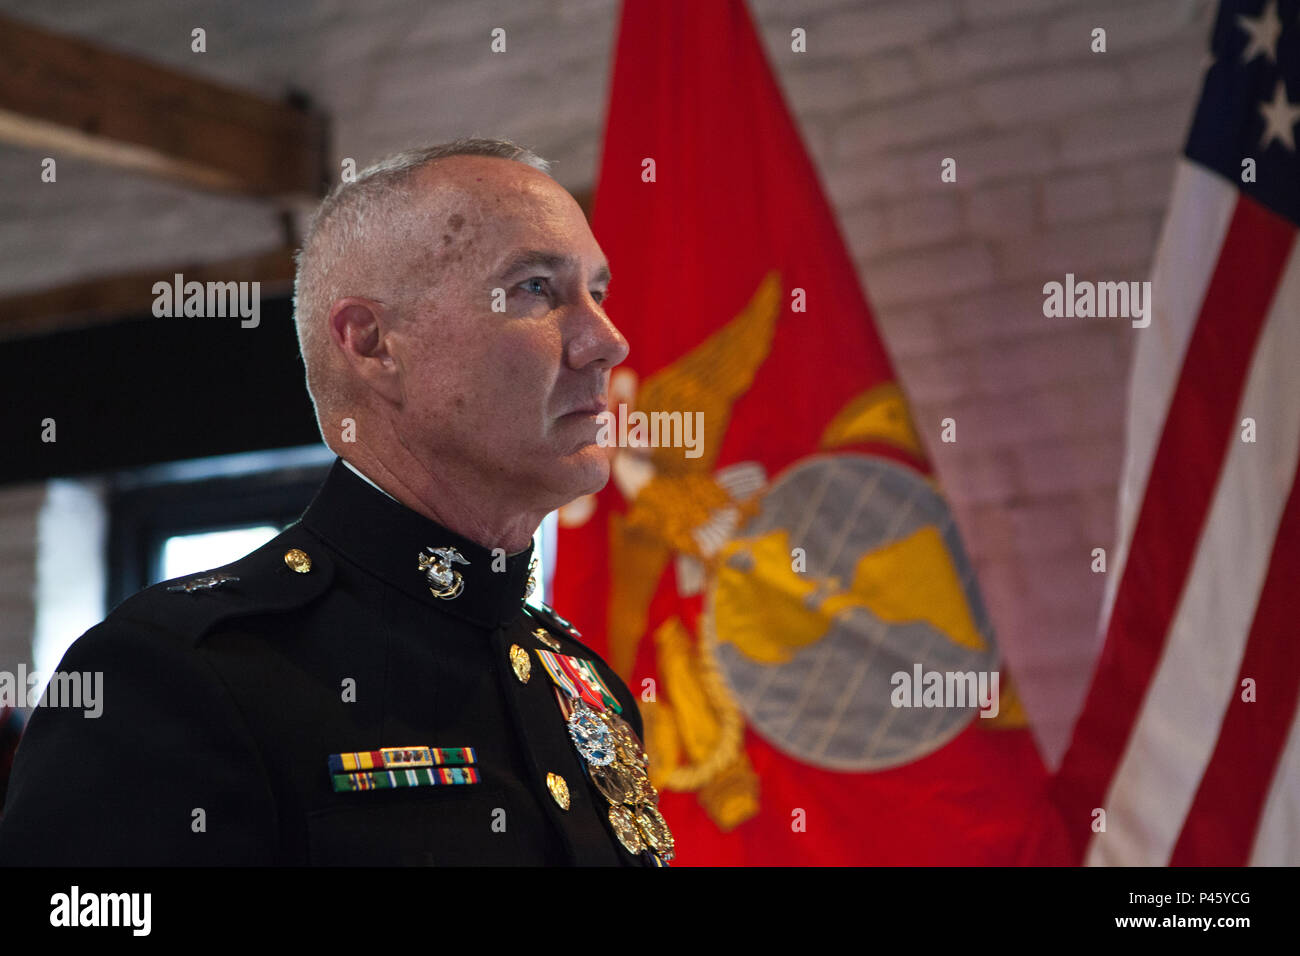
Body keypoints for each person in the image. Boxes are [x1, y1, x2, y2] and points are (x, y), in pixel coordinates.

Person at [0, 138, 672, 866]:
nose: (607, 341)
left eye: (596, 293)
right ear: (373, 343)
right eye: (537, 287)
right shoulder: (185, 674)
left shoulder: (580, 683)